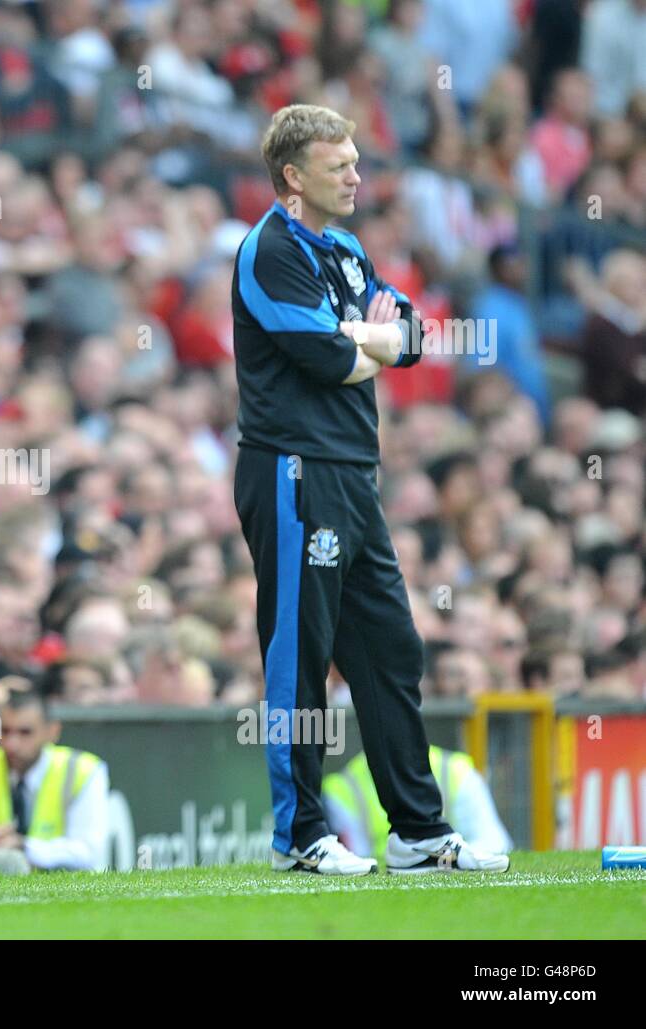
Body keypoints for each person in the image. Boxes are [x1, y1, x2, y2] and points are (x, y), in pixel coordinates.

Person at [231, 104, 509, 874]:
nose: (357, 174)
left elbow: (414, 333)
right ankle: (300, 834)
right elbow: (328, 358)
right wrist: (363, 337)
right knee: (301, 655)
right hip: (292, 470)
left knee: (391, 649)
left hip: (353, 472)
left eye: (356, 159)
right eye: (339, 164)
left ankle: (417, 829)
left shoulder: (347, 250)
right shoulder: (269, 250)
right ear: (293, 176)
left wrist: (369, 336)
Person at [0, 690, 109, 871]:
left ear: (52, 731)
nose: (12, 744)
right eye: (4, 731)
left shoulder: (83, 770)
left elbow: (89, 852)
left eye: (25, 732)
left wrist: (24, 847)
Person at [323, 745, 514, 861]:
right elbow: (356, 858)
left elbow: (495, 842)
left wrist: (446, 858)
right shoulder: (344, 786)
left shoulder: (455, 772)